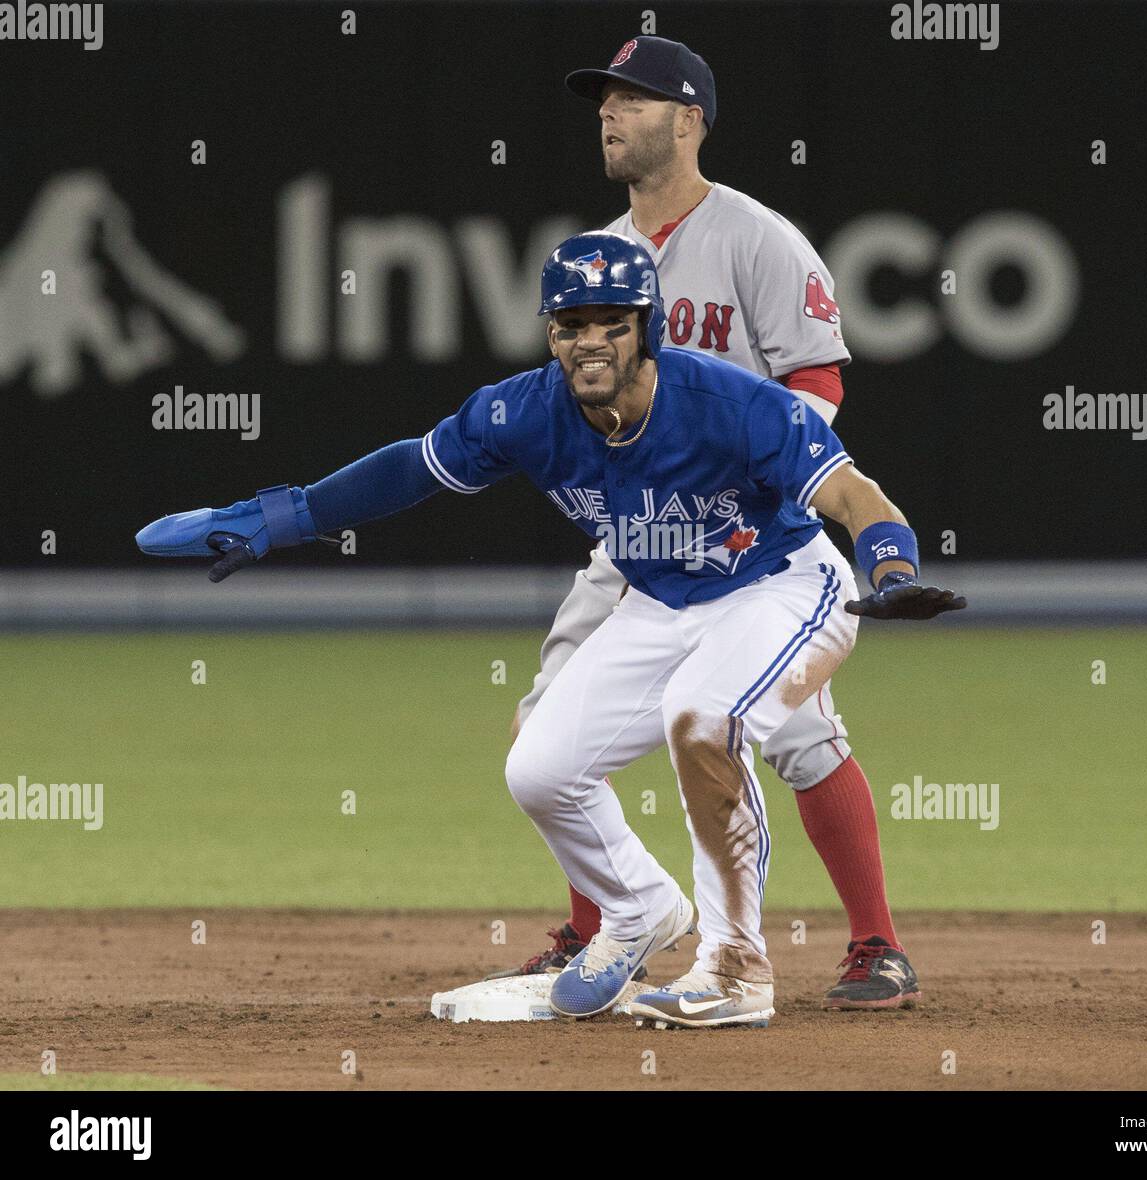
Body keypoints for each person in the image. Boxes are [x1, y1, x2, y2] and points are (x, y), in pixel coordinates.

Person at [135, 231, 965, 1029]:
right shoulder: (523, 413)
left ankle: (737, 966)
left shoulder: (727, 402)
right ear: (550, 335)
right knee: (540, 767)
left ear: (651, 328)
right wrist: (281, 517)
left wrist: (892, 569)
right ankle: (640, 908)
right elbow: (410, 468)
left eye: (613, 322)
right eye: (571, 325)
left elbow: (856, 497)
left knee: (705, 723)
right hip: (661, 601)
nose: (591, 341)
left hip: (782, 586)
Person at [496, 35, 923, 1010]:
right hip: (637, 538)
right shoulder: (602, 254)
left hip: (751, 538)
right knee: (545, 722)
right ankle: (605, 927)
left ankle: (875, 946)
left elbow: (815, 379)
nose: (608, 113)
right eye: (603, 100)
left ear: (690, 119)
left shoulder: (755, 239)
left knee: (800, 735)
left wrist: (764, 487)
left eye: (634, 100)